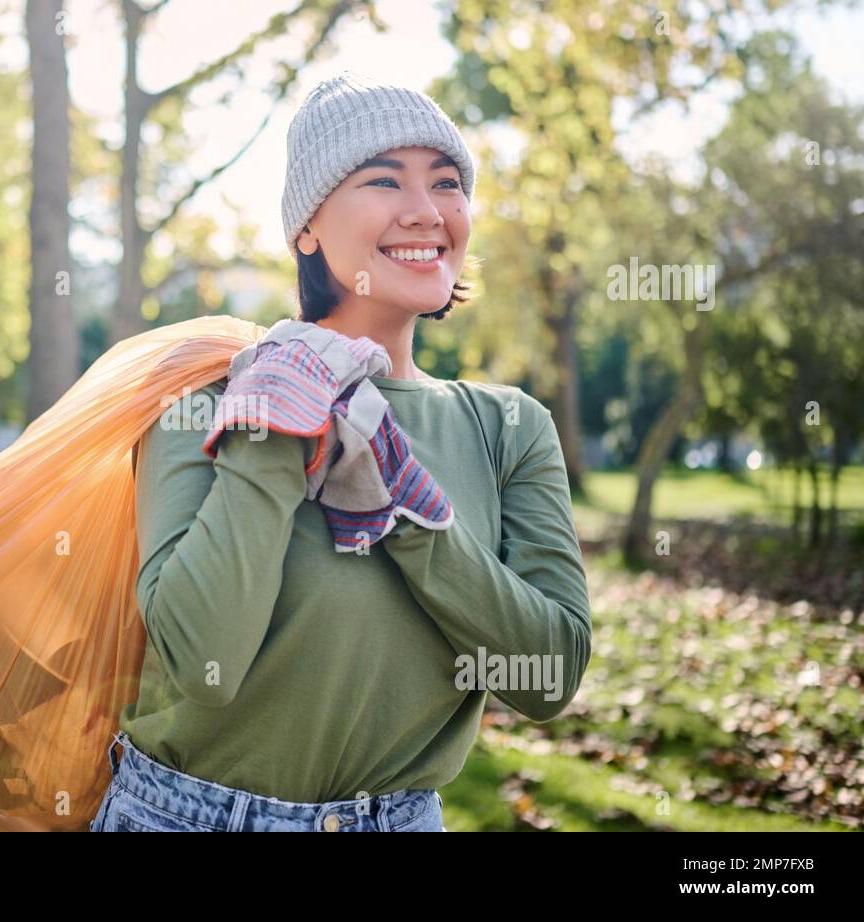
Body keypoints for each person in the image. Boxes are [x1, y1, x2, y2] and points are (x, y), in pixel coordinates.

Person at [89, 71, 591, 832]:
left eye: (447, 183)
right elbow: (205, 663)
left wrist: (402, 498)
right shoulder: (204, 400)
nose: (426, 212)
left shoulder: (509, 426)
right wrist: (273, 424)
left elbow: (548, 677)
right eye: (383, 180)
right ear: (306, 228)